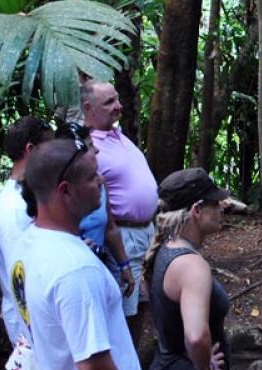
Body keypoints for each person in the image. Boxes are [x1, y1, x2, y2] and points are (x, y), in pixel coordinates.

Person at [10, 139, 141, 370]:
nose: (101, 180)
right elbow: (93, 365)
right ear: (66, 190)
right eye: (92, 176)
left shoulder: (27, 242)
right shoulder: (76, 269)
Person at [78, 80, 160, 340]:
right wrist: (121, 256)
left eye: (117, 99)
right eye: (109, 102)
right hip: (123, 237)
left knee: (141, 304)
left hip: (145, 233)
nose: (118, 106)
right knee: (125, 311)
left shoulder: (117, 134)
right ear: (89, 109)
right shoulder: (89, 149)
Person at [145, 168, 231, 370]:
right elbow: (196, 337)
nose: (222, 208)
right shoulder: (191, 266)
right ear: (197, 210)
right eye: (215, 203)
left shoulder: (165, 248)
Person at [0, 116, 52, 348]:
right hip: (31, 324)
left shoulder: (26, 196)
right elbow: (20, 277)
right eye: (50, 148)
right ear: (31, 150)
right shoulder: (13, 208)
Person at [58, 123, 136, 296]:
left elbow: (110, 228)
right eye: (91, 146)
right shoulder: (60, 192)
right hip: (71, 275)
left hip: (98, 269)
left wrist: (124, 266)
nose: (97, 151)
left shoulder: (100, 182)